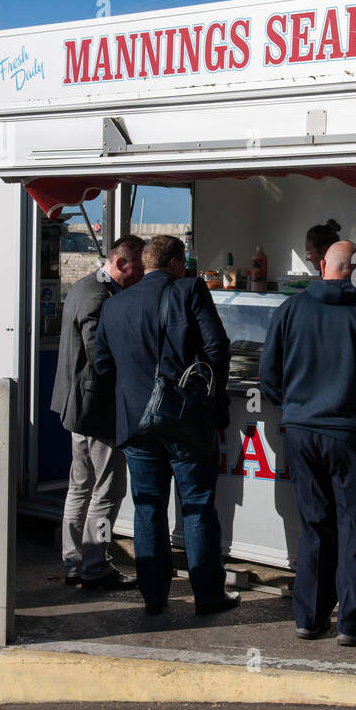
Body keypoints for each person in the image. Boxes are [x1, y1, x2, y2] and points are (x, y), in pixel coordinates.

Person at [259, 241, 356, 646]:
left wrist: (292, 408)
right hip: (353, 434)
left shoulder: (290, 309)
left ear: (322, 265)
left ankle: (309, 617)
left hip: (302, 432)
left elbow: (268, 375)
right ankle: (353, 623)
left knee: (314, 526)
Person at [92, 235, 239, 617]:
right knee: (197, 507)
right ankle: (208, 595)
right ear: (176, 262)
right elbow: (217, 349)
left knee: (147, 509)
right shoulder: (189, 290)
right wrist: (207, 394)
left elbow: (103, 366)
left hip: (137, 424)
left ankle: (153, 596)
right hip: (186, 420)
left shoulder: (114, 304)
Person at [50, 234, 145, 590]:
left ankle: (74, 561)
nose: (141, 275)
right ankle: (96, 564)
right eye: (138, 267)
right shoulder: (99, 298)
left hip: (78, 408)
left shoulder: (82, 287)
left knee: (80, 487)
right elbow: (100, 357)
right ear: (121, 263)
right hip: (97, 410)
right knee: (108, 489)